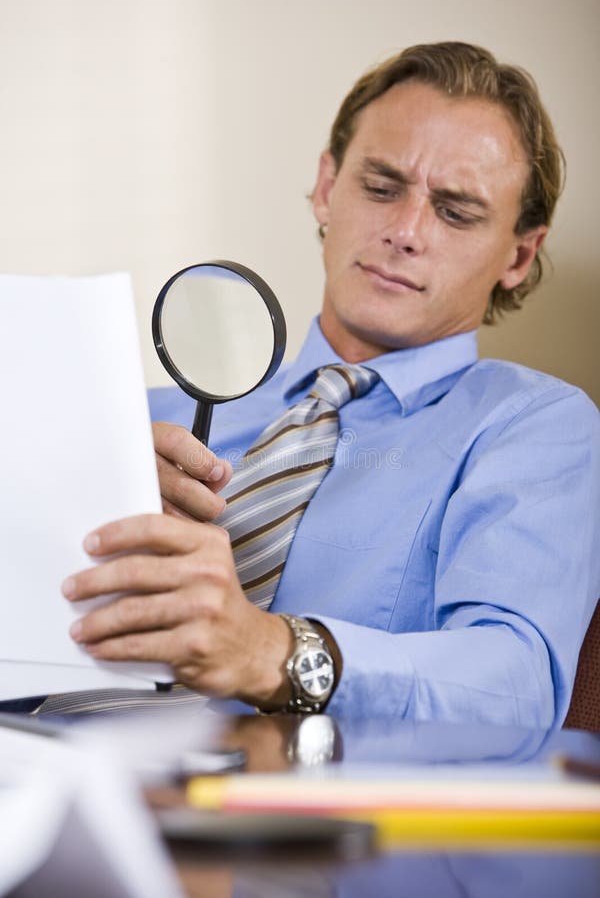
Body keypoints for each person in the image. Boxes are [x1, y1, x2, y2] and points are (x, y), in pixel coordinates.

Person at [62, 42, 600, 726]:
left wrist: (272, 652)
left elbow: (515, 683)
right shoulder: (141, 423)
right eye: (381, 187)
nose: (405, 232)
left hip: (271, 787)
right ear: (326, 188)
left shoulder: (534, 427)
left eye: (456, 211)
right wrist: (58, 508)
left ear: (519, 255)